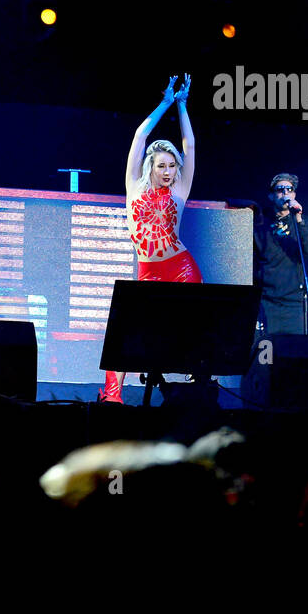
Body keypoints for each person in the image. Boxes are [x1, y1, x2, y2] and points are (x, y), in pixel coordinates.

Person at [99, 74, 199, 403]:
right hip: (149, 270)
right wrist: (167, 102)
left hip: (181, 268)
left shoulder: (180, 191)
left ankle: (195, 391)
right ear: (150, 167)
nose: (169, 171)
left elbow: (190, 146)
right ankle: (112, 398)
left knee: (192, 329)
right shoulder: (134, 188)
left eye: (172, 165)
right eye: (162, 166)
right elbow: (140, 135)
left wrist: (183, 106)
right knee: (125, 331)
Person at [251, 172, 308, 335]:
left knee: (292, 355)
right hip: (266, 303)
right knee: (264, 354)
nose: (285, 193)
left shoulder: (305, 223)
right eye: (280, 189)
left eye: (289, 189)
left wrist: (298, 219)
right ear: (271, 196)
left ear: (294, 194)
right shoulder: (259, 224)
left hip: (293, 304)